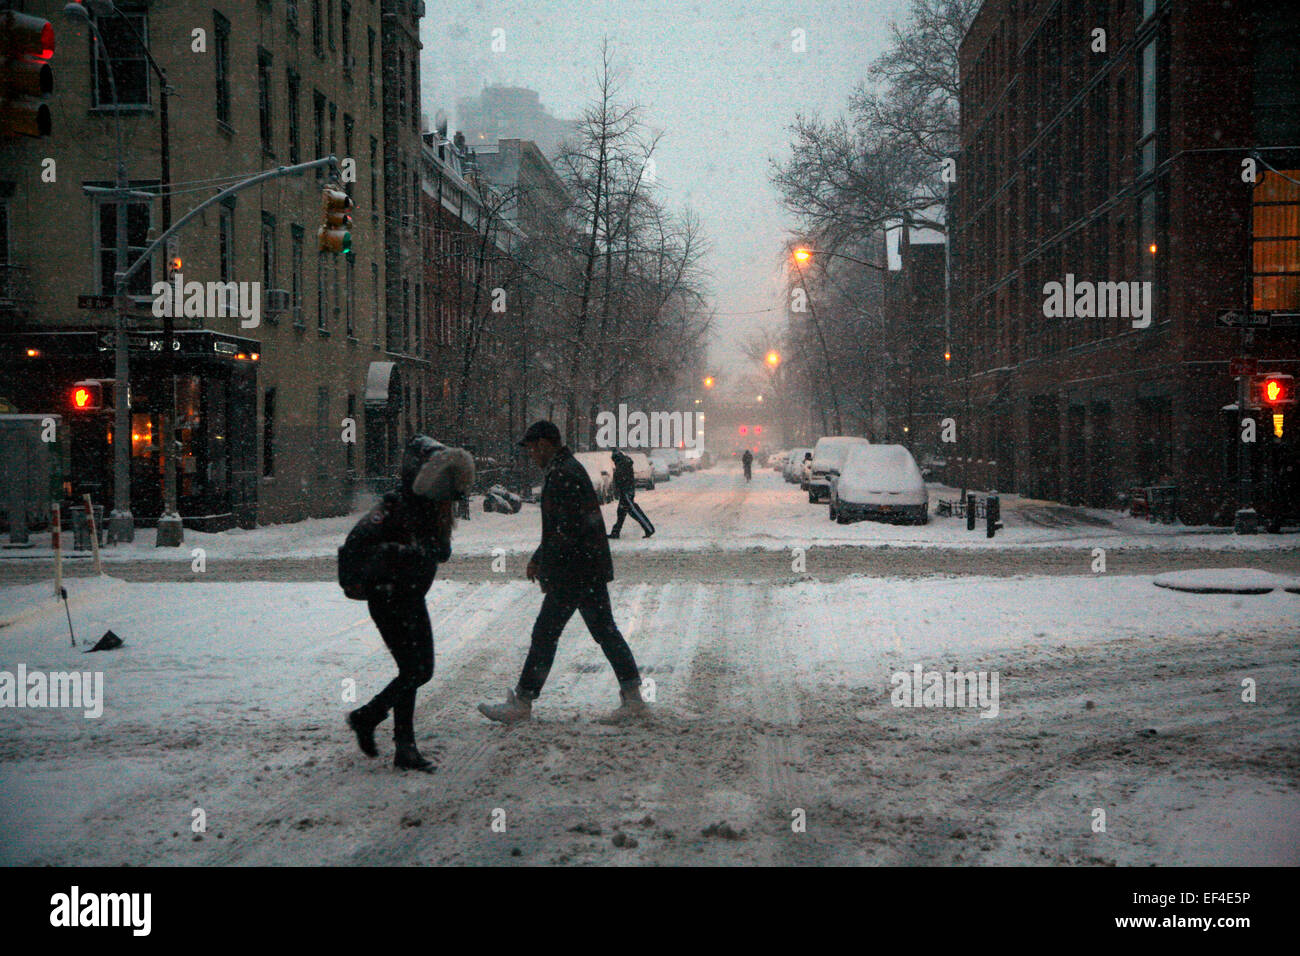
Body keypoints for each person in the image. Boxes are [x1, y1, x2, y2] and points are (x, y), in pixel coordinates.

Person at [478, 421, 647, 725]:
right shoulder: (567, 469)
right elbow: (563, 527)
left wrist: (547, 569)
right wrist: (540, 559)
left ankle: (523, 701)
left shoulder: (562, 474)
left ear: (544, 444)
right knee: (603, 631)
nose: (530, 454)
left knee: (547, 633)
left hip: (575, 571)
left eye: (531, 448)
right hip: (586, 567)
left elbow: (564, 530)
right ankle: (633, 696)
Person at [339, 435, 475, 772]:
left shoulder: (426, 506)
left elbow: (439, 552)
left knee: (413, 671)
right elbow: (362, 547)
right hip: (390, 598)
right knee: (418, 670)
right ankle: (369, 718)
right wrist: (407, 554)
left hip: (407, 596)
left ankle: (402, 745)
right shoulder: (398, 506)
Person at [607, 448, 654, 539]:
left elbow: (621, 479)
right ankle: (615, 532)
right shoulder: (624, 463)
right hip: (626, 491)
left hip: (626, 492)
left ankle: (649, 529)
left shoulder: (622, 465)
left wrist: (620, 489)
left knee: (634, 511)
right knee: (621, 512)